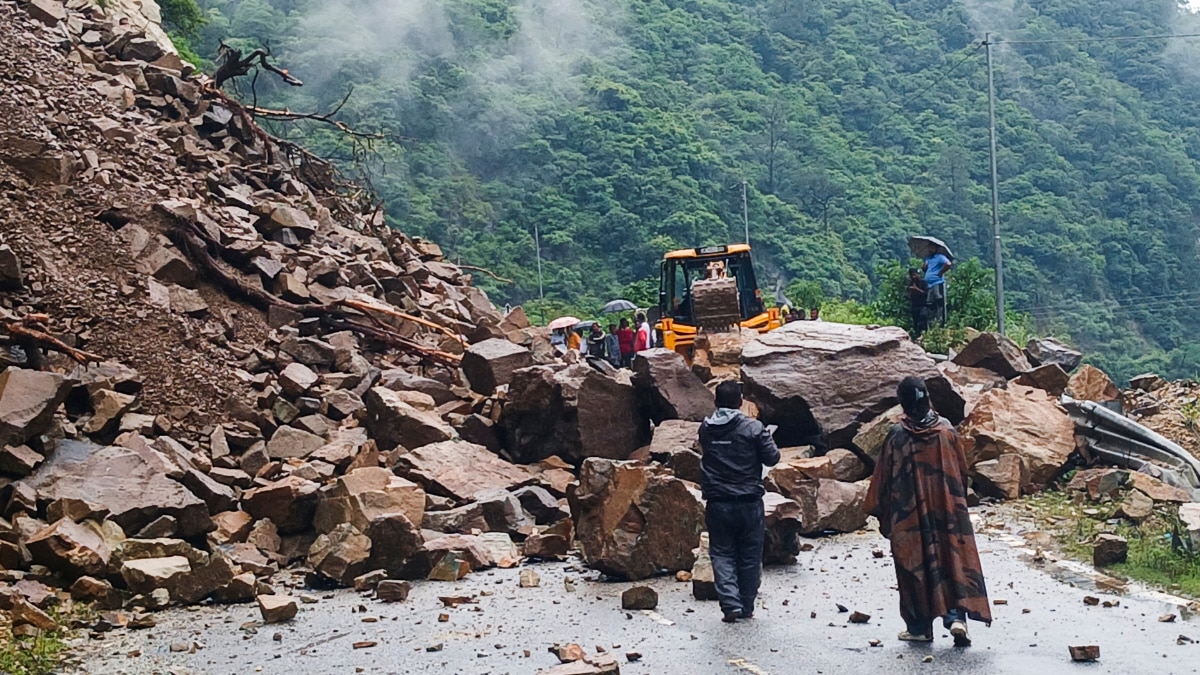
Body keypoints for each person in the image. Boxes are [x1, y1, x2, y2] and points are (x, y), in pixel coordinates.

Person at [863, 376, 991, 646]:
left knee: (914, 567)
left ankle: (919, 628)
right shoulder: (946, 432)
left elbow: (883, 479)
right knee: (952, 559)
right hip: (947, 511)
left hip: (909, 517)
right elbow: (961, 472)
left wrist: (882, 512)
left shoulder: (898, 436)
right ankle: (956, 618)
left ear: (903, 404)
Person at [698, 381, 781, 623]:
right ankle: (746, 605)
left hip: (717, 502)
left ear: (716, 402)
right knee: (750, 555)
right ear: (740, 401)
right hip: (748, 501)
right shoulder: (754, 428)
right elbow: (773, 458)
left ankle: (730, 604)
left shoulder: (706, 429)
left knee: (722, 553)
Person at [923, 250, 952, 326]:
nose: (930, 249)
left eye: (932, 247)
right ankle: (931, 323)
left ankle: (941, 322)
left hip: (937, 283)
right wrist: (924, 266)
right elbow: (924, 268)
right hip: (929, 284)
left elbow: (948, 264)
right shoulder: (928, 258)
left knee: (940, 302)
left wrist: (941, 272)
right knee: (930, 303)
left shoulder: (940, 257)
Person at [906, 268, 929, 337]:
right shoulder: (911, 284)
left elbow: (926, 294)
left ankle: (925, 335)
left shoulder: (923, 282)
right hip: (914, 305)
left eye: (914, 275)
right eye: (912, 275)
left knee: (923, 319)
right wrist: (910, 293)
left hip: (923, 305)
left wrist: (917, 289)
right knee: (915, 322)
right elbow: (908, 297)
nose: (913, 277)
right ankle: (916, 336)